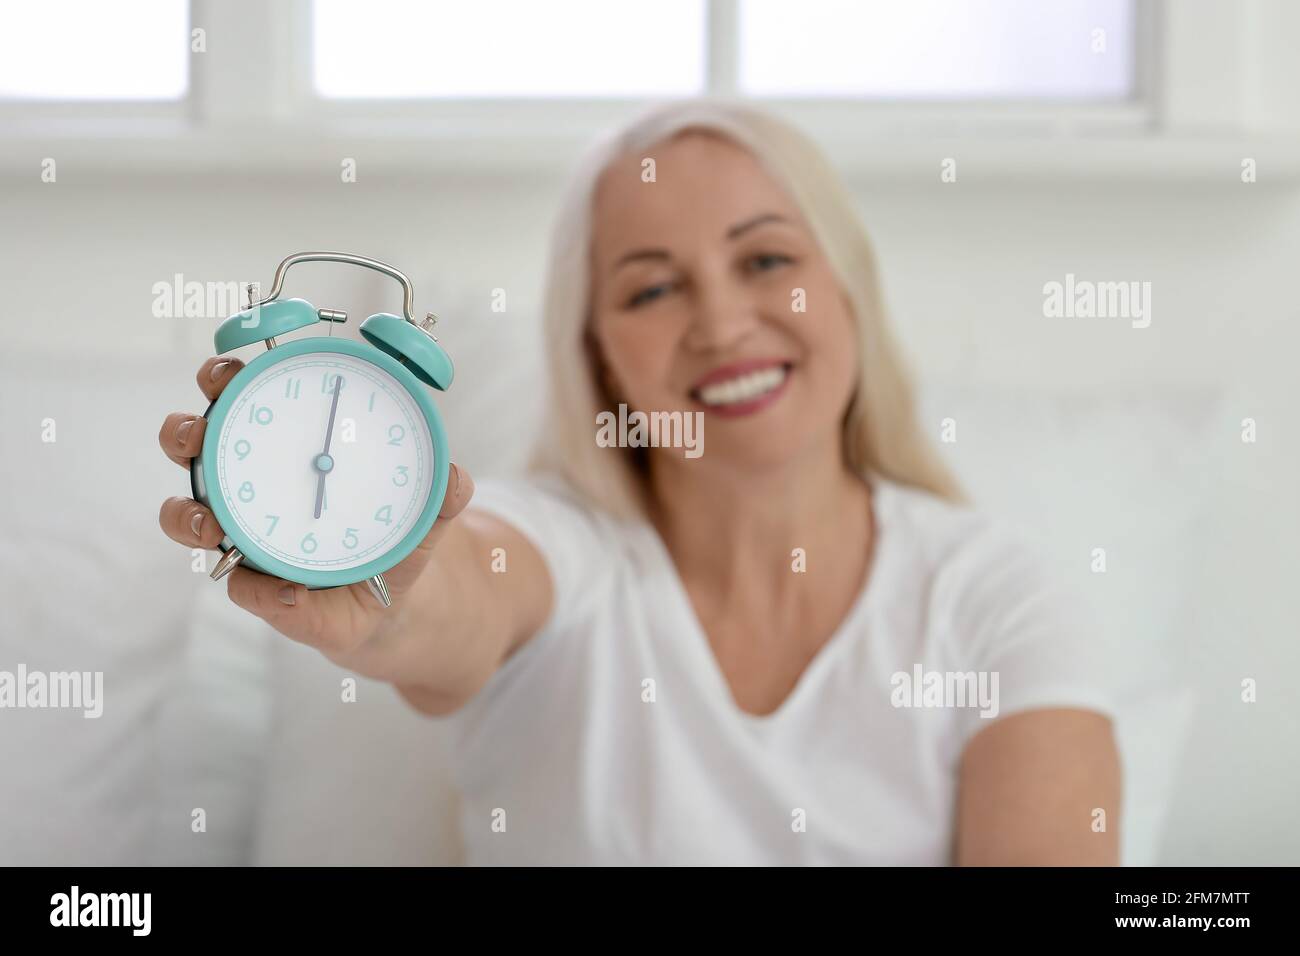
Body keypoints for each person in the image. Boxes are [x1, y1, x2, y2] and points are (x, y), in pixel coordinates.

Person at [158, 99, 1120, 865]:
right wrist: (382, 599)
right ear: (599, 355)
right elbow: (462, 595)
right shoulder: (562, 550)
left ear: (846, 289)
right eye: (652, 288)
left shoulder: (994, 599)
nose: (722, 322)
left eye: (767, 260)